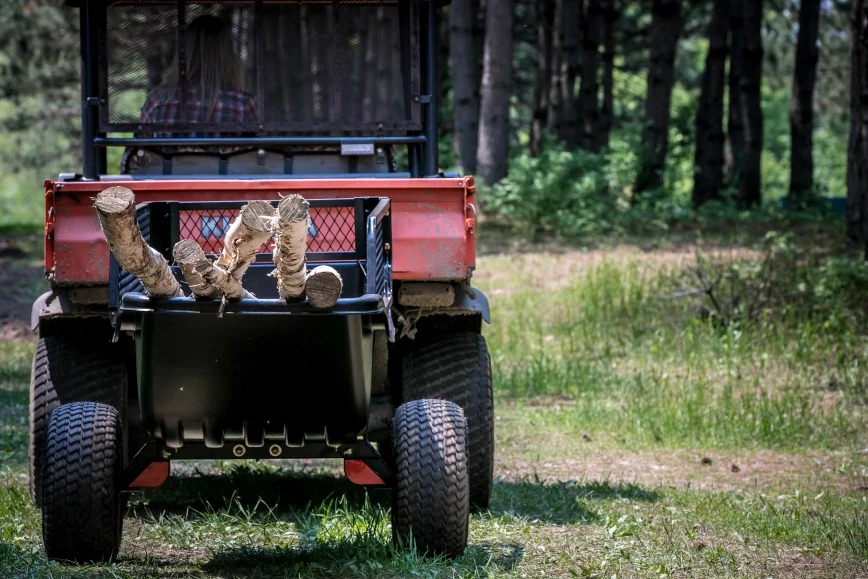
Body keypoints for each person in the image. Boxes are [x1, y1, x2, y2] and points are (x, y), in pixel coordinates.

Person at [140, 14, 257, 137]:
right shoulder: (243, 104)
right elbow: (253, 153)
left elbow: (142, 151)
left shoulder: (157, 101)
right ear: (227, 56)